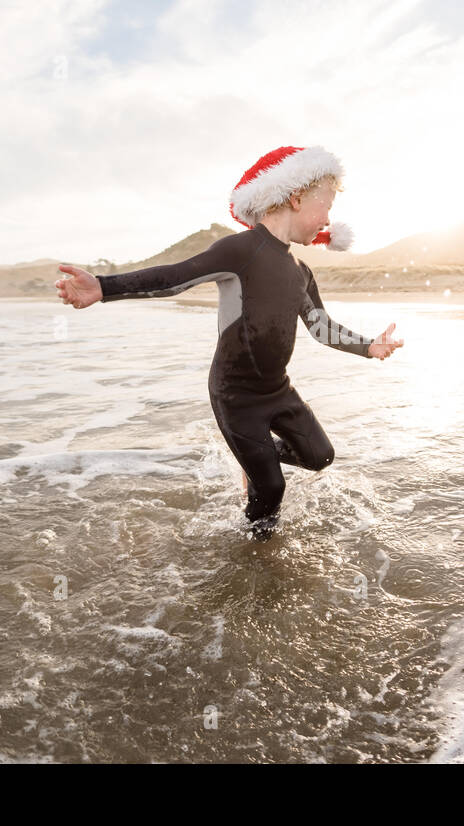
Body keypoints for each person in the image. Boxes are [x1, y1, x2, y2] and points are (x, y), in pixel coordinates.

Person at [55, 145, 404, 541]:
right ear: (295, 197)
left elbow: (320, 327)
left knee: (319, 456)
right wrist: (103, 287)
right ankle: (255, 553)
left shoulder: (301, 271)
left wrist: (369, 346)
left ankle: (257, 459)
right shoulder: (240, 250)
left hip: (278, 389)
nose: (328, 220)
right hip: (235, 395)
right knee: (271, 489)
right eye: (326, 207)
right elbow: (176, 276)